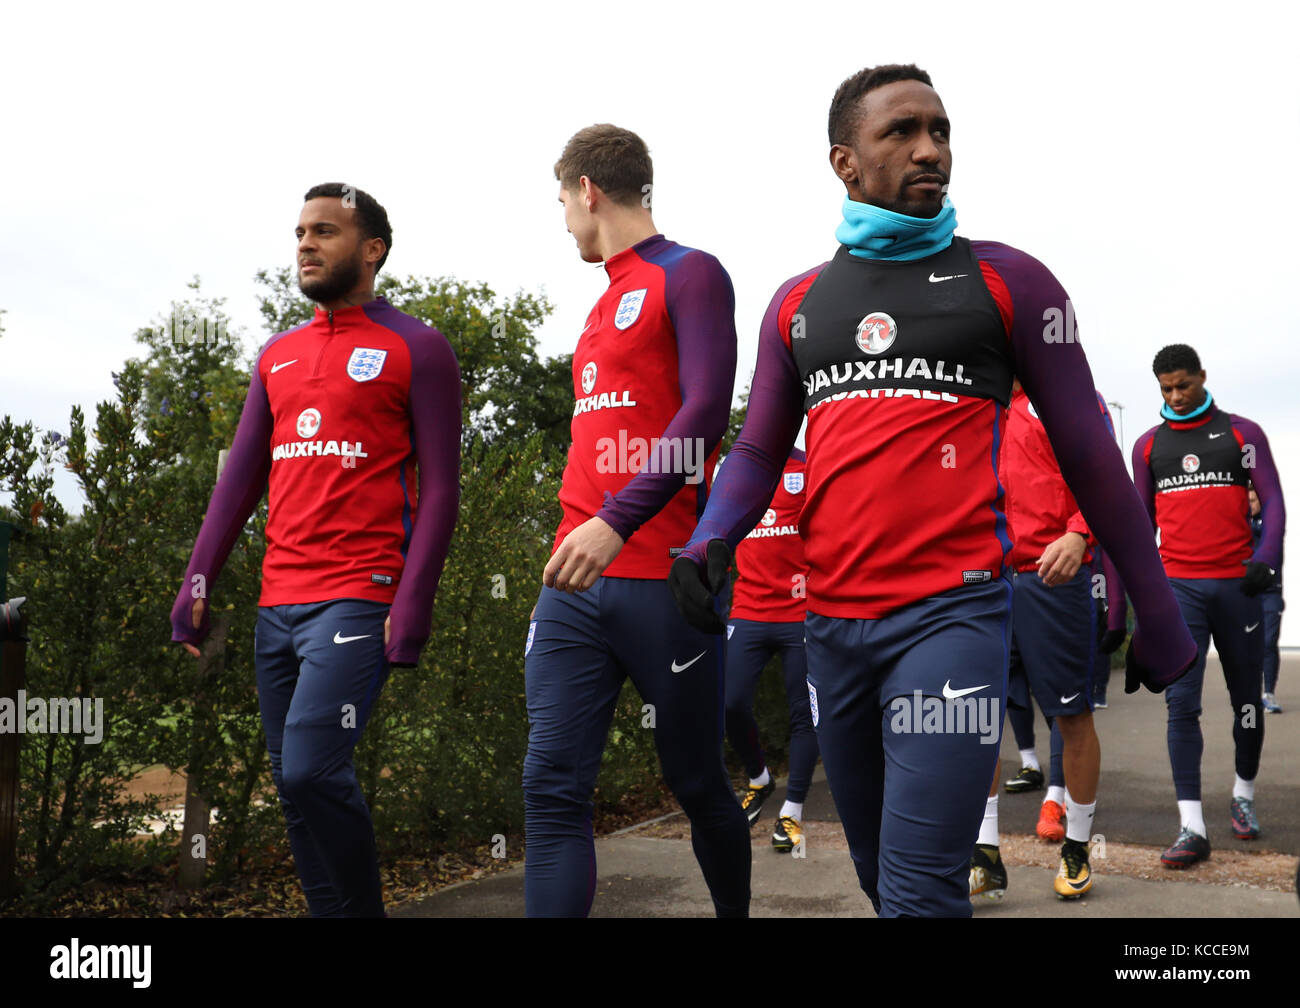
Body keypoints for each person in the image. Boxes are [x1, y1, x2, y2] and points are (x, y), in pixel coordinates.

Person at [668, 64, 1195, 917]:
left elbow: (1093, 457)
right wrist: (709, 538)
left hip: (953, 620)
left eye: (941, 130)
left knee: (920, 891)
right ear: (844, 160)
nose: (931, 150)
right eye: (903, 132)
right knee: (884, 879)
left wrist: (1156, 606)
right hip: (832, 627)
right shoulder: (797, 303)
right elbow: (760, 446)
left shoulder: (1011, 282)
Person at [169, 184, 462, 917]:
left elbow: (441, 490)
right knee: (294, 790)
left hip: (360, 596)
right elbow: (238, 484)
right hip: (278, 606)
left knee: (310, 771)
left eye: (325, 231)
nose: (305, 243)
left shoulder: (416, 347)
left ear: (372, 250)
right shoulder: (279, 355)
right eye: (300, 231)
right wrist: (196, 582)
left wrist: (413, 602)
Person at [523, 124, 750, 917]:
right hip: (572, 583)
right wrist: (587, 525)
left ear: (588, 189)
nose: (562, 220)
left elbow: (705, 414)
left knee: (696, 784)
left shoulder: (690, 275)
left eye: (561, 200)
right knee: (551, 788)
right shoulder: (599, 305)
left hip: (660, 580)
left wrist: (617, 520)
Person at [1131, 344, 1285, 867]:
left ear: (1201, 377)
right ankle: (1191, 826)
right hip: (1180, 589)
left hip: (1236, 589)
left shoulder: (1243, 433)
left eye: (1183, 385)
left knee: (1246, 699)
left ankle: (1243, 794)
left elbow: (1276, 500)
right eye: (1166, 389)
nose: (1176, 396)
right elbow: (1137, 523)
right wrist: (1135, 593)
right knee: (1182, 704)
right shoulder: (1149, 446)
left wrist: (1265, 558)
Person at [969, 382, 1120, 900]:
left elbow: (1100, 469)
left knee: (1071, 716)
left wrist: (1080, 533)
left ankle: (1077, 848)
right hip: (979, 581)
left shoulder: (1065, 391)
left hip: (1050, 575)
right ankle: (984, 856)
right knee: (974, 715)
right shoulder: (973, 390)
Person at [724, 448, 818, 852]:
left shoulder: (807, 464)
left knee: (804, 711)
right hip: (749, 608)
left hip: (801, 610)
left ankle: (791, 814)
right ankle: (759, 778)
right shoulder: (736, 467)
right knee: (729, 702)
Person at [1249, 487, 1285, 713]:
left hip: (1270, 592)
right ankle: (1249, 693)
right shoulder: (1239, 523)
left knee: (1268, 642)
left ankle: (1268, 693)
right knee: (1246, 645)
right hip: (1246, 593)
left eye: (1253, 501)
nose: (1249, 505)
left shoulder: (1269, 525)